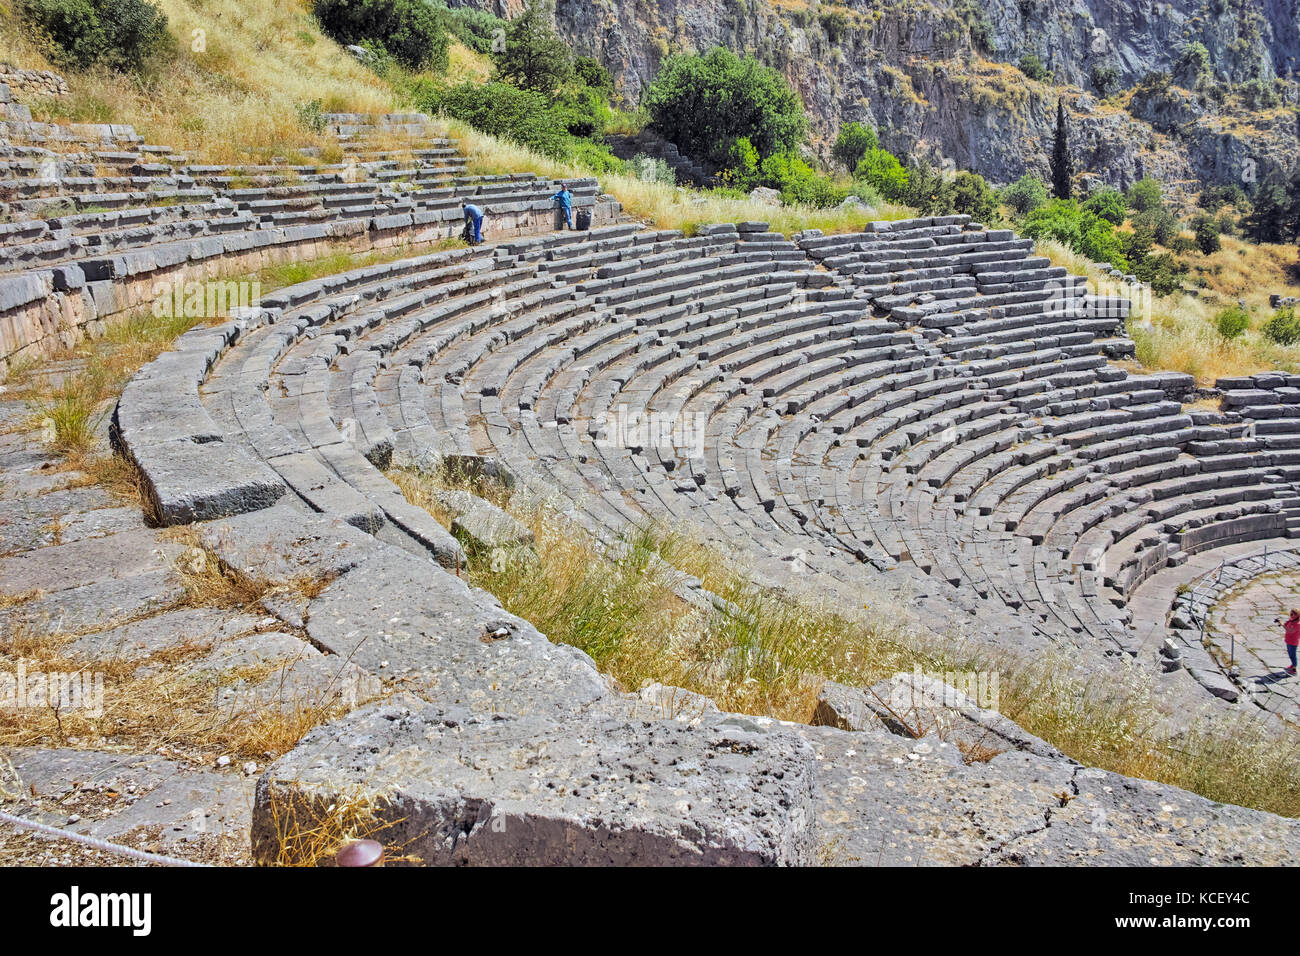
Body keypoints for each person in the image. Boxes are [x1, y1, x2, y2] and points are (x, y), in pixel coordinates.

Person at [1285, 610, 1300, 675]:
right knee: (1290, 654)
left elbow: (1290, 631)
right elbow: (1286, 624)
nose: (1291, 615)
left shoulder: (1298, 624)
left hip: (1293, 642)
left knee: (1293, 655)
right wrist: (1287, 621)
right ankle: (1292, 665)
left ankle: (1294, 670)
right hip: (1288, 640)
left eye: (1293, 614)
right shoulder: (1291, 620)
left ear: (1297, 615)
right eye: (1290, 613)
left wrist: (1282, 625)